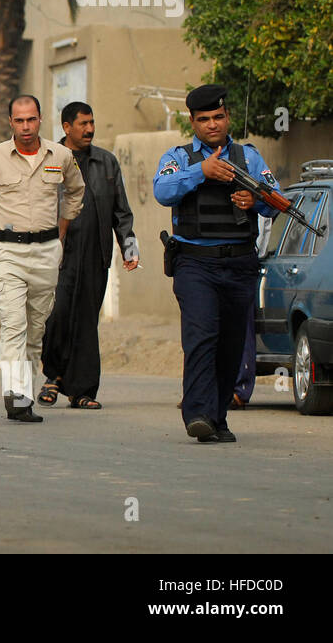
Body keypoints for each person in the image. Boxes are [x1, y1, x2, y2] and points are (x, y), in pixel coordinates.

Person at [154, 84, 278, 444]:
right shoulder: (179, 157)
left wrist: (253, 199)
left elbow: (276, 200)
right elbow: (163, 191)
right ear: (192, 121)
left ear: (227, 118)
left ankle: (218, 416)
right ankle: (197, 413)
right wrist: (202, 172)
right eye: (204, 119)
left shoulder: (249, 157)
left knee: (230, 343)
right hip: (195, 263)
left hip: (239, 263)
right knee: (201, 337)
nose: (212, 125)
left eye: (218, 117)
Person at [0, 95, 85, 422]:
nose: (26, 127)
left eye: (31, 119)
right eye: (19, 121)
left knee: (36, 328)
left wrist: (62, 230)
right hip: (8, 252)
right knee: (14, 324)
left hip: (47, 252)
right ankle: (18, 395)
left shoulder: (60, 155)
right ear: (10, 122)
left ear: (40, 119)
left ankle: (23, 390)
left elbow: (76, 191)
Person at [39, 102, 139, 410]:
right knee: (57, 315)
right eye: (83, 124)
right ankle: (53, 375)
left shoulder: (106, 162)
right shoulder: (50, 160)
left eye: (92, 122)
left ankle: (81, 390)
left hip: (96, 253)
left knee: (85, 320)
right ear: (66, 127)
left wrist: (129, 247)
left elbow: (121, 211)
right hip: (58, 253)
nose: (90, 129)